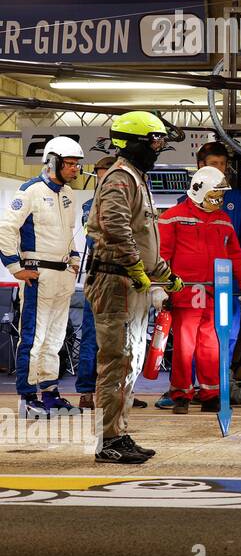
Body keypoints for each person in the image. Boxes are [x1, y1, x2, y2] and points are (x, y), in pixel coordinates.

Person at [84, 111, 183, 464]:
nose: (158, 148)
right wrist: (138, 268)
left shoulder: (136, 179)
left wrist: (164, 274)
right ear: (134, 143)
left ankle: (118, 433)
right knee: (117, 361)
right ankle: (108, 440)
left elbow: (143, 237)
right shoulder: (120, 179)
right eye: (154, 141)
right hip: (116, 282)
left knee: (131, 361)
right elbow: (115, 227)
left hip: (130, 281)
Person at [157, 167, 241, 414]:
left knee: (211, 344)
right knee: (184, 345)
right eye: (214, 195)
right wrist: (158, 288)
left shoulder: (223, 220)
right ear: (199, 190)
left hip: (216, 293)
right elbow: (161, 255)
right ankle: (181, 394)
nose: (219, 201)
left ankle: (210, 392)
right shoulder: (173, 217)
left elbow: (234, 255)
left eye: (220, 197)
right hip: (185, 293)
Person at [0, 136, 85, 418]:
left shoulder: (69, 194)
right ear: (53, 162)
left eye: (76, 164)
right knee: (33, 338)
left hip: (62, 276)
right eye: (70, 164)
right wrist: (14, 267)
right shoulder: (30, 191)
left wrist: (74, 259)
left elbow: (69, 234)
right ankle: (27, 397)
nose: (75, 169)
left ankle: (50, 394)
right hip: (38, 274)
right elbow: (5, 230)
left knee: (56, 337)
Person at [76, 155, 116, 410]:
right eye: (100, 177)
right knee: (92, 335)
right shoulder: (89, 207)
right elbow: (94, 240)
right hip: (98, 275)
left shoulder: (129, 205)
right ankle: (86, 391)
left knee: (121, 338)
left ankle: (116, 390)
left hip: (124, 276)